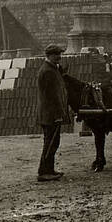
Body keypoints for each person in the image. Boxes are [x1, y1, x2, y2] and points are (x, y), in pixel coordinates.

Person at [36, 44, 70, 182]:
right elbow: (50, 96)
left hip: (50, 114)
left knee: (53, 142)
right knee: (50, 143)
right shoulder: (48, 71)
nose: (59, 57)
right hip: (50, 115)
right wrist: (57, 115)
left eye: (60, 54)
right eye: (57, 54)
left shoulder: (51, 68)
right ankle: (43, 172)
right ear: (49, 55)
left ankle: (49, 170)